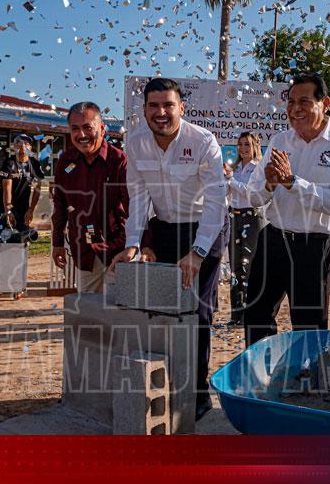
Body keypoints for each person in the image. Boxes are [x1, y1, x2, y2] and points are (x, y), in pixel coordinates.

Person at [109, 77, 229, 420]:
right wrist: (133, 244)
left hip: (204, 230)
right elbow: (138, 197)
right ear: (144, 109)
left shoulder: (203, 141)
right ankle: (164, 386)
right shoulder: (135, 143)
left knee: (198, 313)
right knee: (162, 310)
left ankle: (197, 393)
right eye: (153, 106)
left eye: (168, 105)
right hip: (164, 230)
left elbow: (216, 202)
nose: (160, 113)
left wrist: (198, 252)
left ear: (181, 108)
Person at [242, 72, 330, 345]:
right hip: (273, 240)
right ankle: (260, 380)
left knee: (309, 328)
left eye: (304, 101)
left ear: (325, 103)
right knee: (255, 318)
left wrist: (292, 182)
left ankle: (306, 384)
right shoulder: (280, 141)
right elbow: (254, 196)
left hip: (315, 247)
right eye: (291, 101)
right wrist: (271, 185)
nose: (295, 109)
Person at [51, 102, 129, 294]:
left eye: (87, 127)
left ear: (101, 128)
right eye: (75, 128)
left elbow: (133, 208)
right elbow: (60, 204)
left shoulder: (119, 161)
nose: (82, 135)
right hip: (85, 252)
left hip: (117, 253)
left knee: (117, 314)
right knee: (88, 313)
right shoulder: (65, 162)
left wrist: (134, 246)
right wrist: (58, 242)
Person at [0, 134, 44, 291]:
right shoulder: (9, 163)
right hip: (4, 208)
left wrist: (31, 210)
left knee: (20, 242)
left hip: (24, 209)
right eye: (18, 142)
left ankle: (16, 278)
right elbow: (7, 188)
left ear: (31, 147)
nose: (22, 145)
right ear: (14, 146)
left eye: (26, 143)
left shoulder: (35, 164)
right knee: (0, 240)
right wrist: (8, 210)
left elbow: (37, 188)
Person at [224, 131, 264, 325]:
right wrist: (225, 179)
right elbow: (228, 191)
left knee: (249, 266)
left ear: (254, 146)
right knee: (235, 267)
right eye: (240, 144)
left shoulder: (257, 169)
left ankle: (250, 312)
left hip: (251, 216)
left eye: (247, 144)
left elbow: (251, 193)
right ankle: (236, 314)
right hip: (234, 217)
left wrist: (231, 179)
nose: (243, 148)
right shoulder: (236, 168)